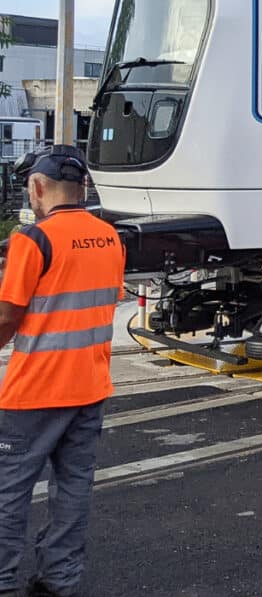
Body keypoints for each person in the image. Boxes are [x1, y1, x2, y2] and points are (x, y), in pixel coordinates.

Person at [0, 146, 125, 596]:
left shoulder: (33, 240)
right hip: (89, 386)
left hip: (33, 393)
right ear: (82, 188)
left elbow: (7, 317)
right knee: (72, 491)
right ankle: (59, 582)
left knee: (7, 495)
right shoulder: (109, 236)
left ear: (37, 187)